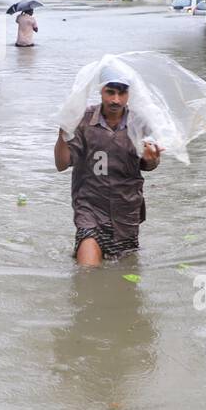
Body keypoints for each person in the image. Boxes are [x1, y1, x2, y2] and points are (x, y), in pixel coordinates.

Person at [53, 66, 162, 266]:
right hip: (90, 208)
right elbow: (61, 164)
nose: (115, 100)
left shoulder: (140, 122)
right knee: (87, 273)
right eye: (110, 92)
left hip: (126, 211)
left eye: (122, 93)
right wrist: (62, 133)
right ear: (101, 90)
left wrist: (151, 157)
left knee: (125, 276)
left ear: (129, 93)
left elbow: (151, 164)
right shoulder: (83, 121)